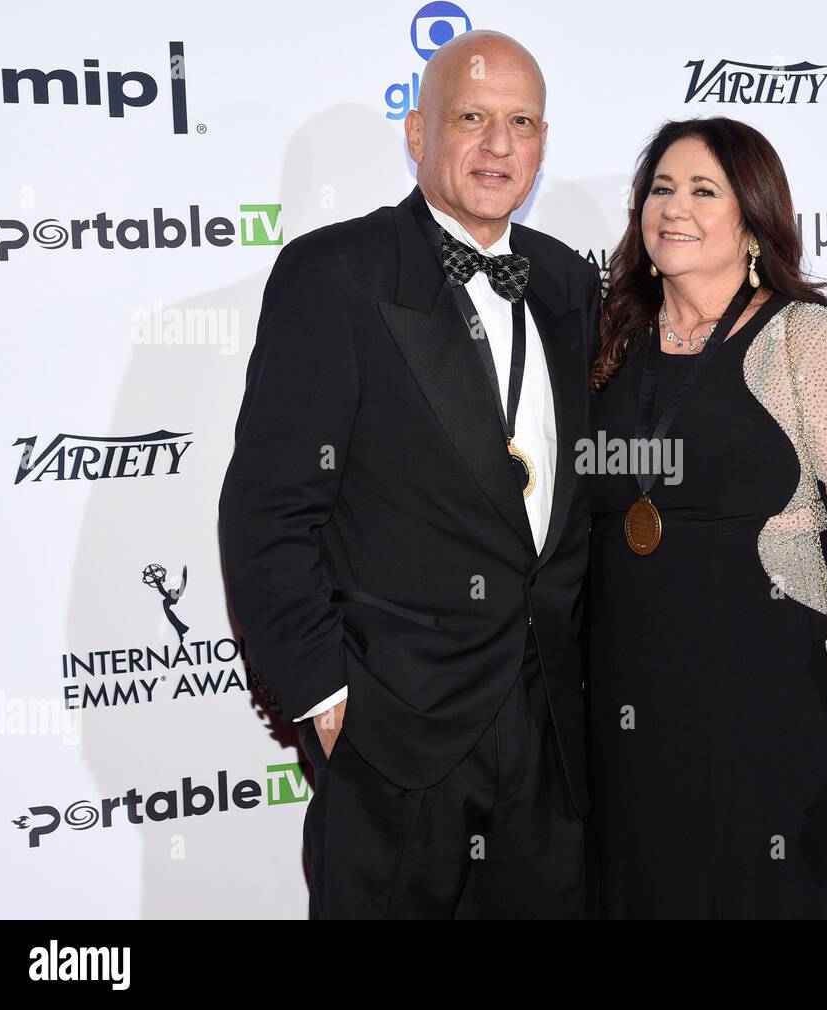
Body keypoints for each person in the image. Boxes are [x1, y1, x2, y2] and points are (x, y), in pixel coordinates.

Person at [218, 30, 601, 918]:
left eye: (521, 122)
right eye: (471, 118)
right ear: (417, 132)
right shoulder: (334, 275)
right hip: (397, 738)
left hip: (552, 739)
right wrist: (324, 695)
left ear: (544, 143)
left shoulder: (567, 284)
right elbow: (268, 513)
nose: (499, 146)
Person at [585, 117, 827, 918]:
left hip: (766, 714)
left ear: (752, 219)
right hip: (625, 715)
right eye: (661, 189)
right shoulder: (611, 338)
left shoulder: (809, 348)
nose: (674, 207)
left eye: (704, 191)